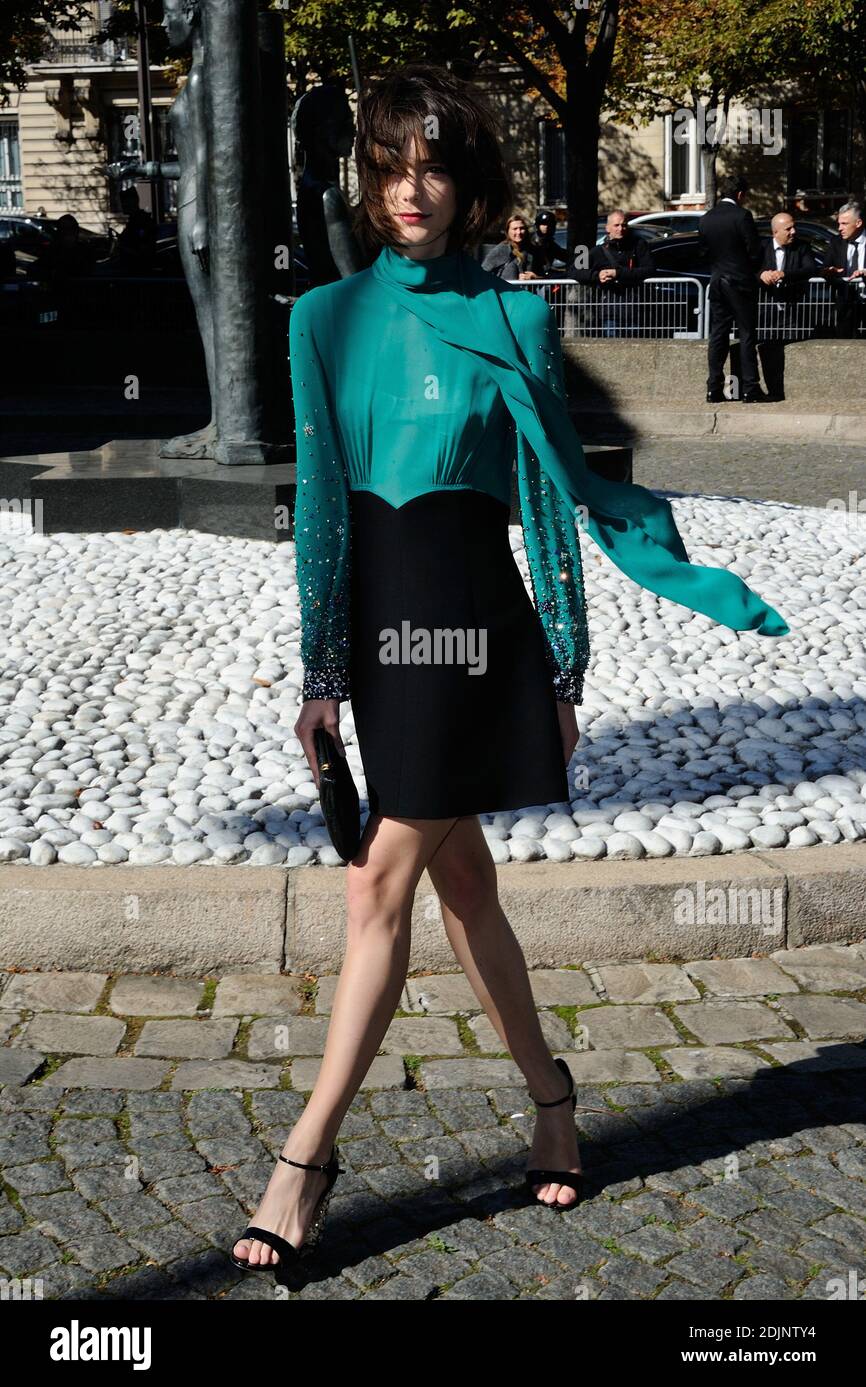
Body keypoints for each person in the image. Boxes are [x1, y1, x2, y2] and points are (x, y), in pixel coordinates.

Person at [230, 63, 789, 1284]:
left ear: (465, 180)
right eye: (389, 168)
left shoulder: (515, 319)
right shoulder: (318, 318)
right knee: (463, 886)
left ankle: (304, 1161)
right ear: (366, 182)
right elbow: (322, 502)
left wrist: (566, 662)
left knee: (377, 884)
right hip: (380, 629)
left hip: (476, 630)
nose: (410, 190)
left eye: (431, 166)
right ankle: (549, 1096)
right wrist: (322, 667)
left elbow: (543, 501)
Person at [699, 175, 768, 402]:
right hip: (739, 283)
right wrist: (750, 269)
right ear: (740, 195)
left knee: (718, 335)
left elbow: (702, 253)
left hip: (717, 282)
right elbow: (755, 251)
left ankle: (713, 388)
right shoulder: (742, 216)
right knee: (747, 334)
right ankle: (750, 388)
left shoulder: (706, 218)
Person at [757, 212, 821, 399]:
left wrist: (785, 274)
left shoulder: (802, 247)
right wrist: (762, 275)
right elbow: (749, 269)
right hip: (766, 311)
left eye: (794, 227)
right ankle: (771, 390)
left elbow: (809, 269)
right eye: (788, 229)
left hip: (793, 311)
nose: (794, 231)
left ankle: (789, 392)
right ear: (775, 232)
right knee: (768, 350)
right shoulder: (762, 248)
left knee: (792, 349)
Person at [571, 209, 653, 335]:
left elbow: (649, 270)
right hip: (609, 312)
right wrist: (596, 276)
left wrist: (618, 273)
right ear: (607, 228)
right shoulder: (598, 251)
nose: (621, 229)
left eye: (624, 225)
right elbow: (574, 270)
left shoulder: (639, 245)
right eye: (616, 225)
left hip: (635, 309)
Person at [824, 200, 866, 338]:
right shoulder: (836, 242)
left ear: (858, 223)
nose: (840, 228)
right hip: (846, 303)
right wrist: (830, 271)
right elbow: (825, 267)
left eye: (844, 224)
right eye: (839, 223)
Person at [481, 213, 538, 280]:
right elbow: (482, 274)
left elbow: (545, 275)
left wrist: (535, 277)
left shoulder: (532, 250)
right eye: (515, 229)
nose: (519, 232)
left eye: (522, 228)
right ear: (508, 231)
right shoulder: (501, 250)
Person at [527, 209, 568, 277]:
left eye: (549, 224)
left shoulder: (549, 243)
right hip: (532, 279)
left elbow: (562, 255)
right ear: (538, 225)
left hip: (541, 278)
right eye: (543, 224)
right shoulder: (532, 242)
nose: (546, 227)